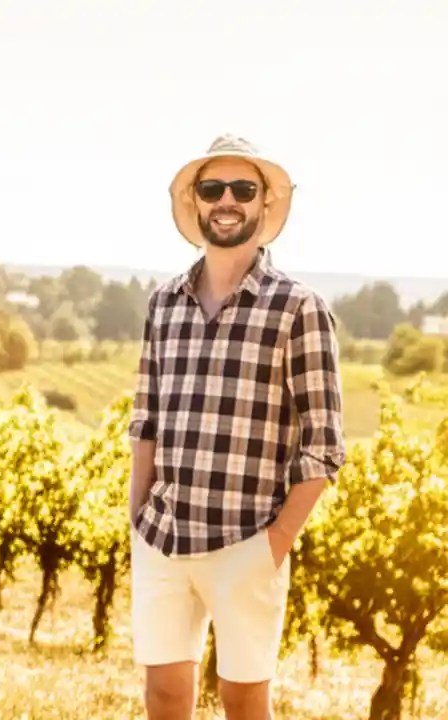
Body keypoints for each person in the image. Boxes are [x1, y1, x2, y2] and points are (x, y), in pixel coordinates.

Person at [127, 135, 346, 719]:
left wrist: (272, 547)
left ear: (263, 206)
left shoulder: (299, 308)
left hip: (246, 542)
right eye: (213, 188)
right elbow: (145, 419)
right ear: (195, 203)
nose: (227, 200)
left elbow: (323, 446)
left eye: (242, 190)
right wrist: (136, 520)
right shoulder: (163, 304)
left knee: (244, 701)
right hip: (161, 538)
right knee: (164, 695)